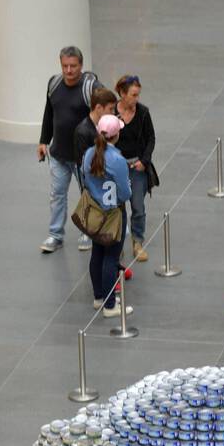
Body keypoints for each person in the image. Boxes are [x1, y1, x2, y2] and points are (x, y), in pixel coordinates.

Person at [38, 47, 100, 253]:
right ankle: (55, 235)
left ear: (81, 66)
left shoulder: (90, 88)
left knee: (88, 194)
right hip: (58, 154)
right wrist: (43, 141)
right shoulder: (54, 84)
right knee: (57, 194)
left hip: (83, 156)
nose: (69, 70)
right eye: (65, 66)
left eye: (73, 66)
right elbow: (49, 112)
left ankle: (87, 231)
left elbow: (107, 108)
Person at [81, 116, 131, 316]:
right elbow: (125, 193)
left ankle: (99, 297)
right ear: (116, 135)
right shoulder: (117, 160)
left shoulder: (88, 154)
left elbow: (85, 178)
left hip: (94, 213)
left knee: (97, 253)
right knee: (111, 258)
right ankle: (110, 305)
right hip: (114, 214)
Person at [113, 75, 160, 264]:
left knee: (138, 207)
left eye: (138, 95)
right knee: (117, 208)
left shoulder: (143, 113)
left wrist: (144, 160)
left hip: (136, 166)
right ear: (122, 94)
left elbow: (151, 138)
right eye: (133, 95)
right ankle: (117, 245)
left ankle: (137, 242)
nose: (136, 99)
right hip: (117, 167)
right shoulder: (112, 113)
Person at [74, 86, 117, 182]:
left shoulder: (108, 125)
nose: (114, 113)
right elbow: (84, 165)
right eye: (111, 109)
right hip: (93, 185)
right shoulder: (82, 132)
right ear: (98, 108)